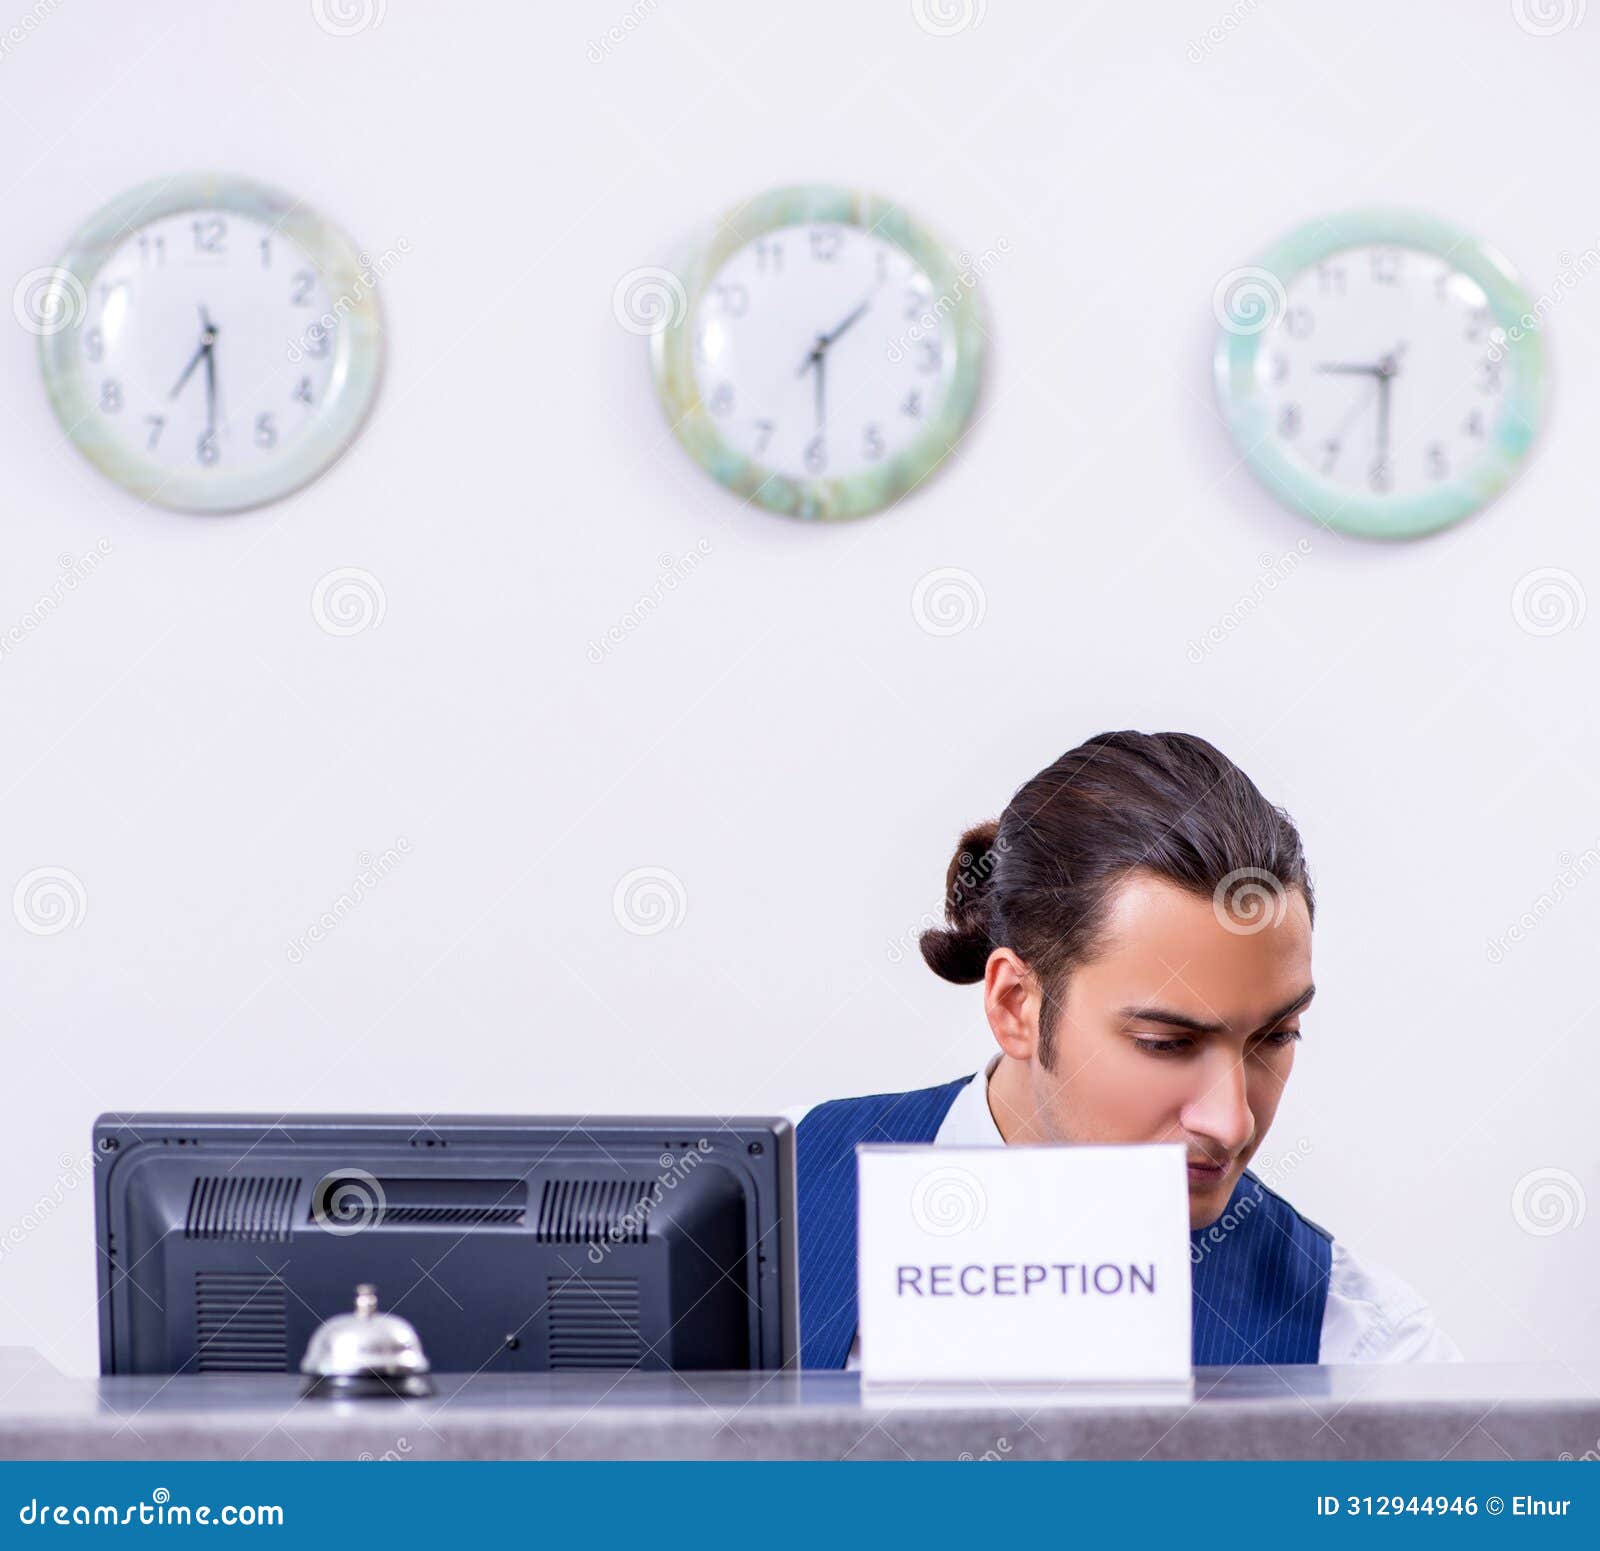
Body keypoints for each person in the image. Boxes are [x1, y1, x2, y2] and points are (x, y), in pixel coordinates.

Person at [794, 729, 1461, 1369]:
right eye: (1167, 1042)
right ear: (1015, 1005)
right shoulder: (759, 1212)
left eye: (1275, 1036)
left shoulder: (1365, 1351)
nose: (1232, 1123)